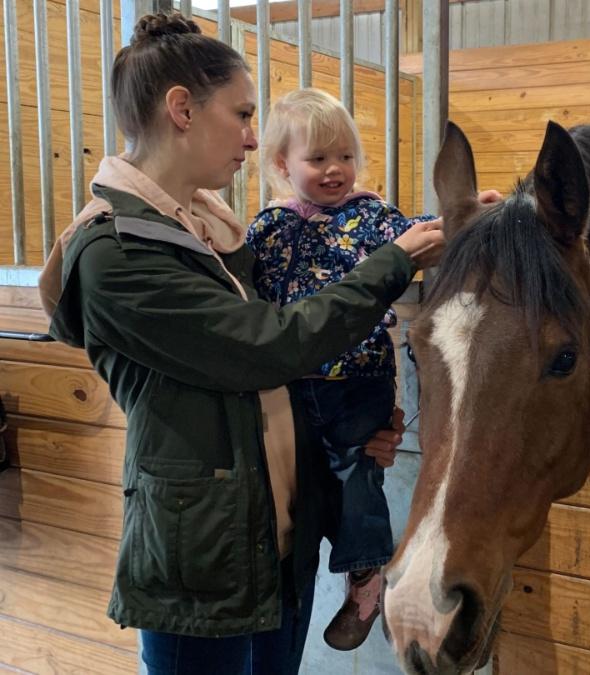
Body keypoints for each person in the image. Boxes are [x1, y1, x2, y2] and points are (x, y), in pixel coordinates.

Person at [35, 12, 466, 674]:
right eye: (240, 114)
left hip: (273, 543)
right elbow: (267, 347)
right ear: (182, 109)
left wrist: (353, 440)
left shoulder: (219, 238)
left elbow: (270, 396)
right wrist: (392, 262)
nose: (249, 135)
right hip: (205, 561)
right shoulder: (115, 254)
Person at [246, 88, 430, 650]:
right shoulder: (269, 227)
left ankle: (366, 578)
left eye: (345, 157)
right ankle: (310, 583)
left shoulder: (373, 216)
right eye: (318, 158)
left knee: (356, 474)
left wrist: (469, 218)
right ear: (282, 165)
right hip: (294, 384)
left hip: (361, 379)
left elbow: (419, 237)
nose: (335, 170)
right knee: (302, 490)